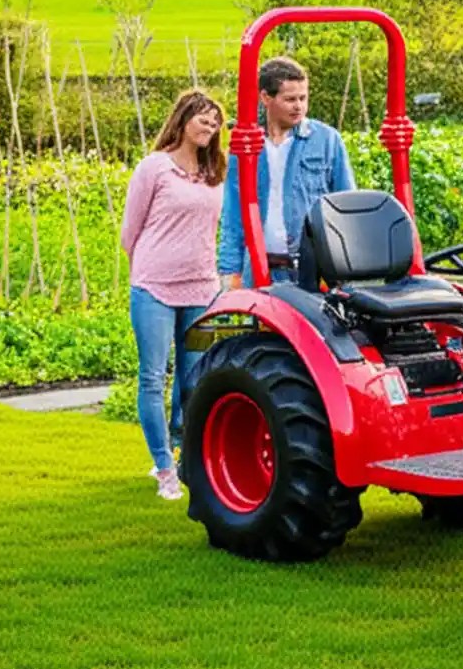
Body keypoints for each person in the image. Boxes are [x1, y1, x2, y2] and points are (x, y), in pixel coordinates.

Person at [120, 89, 227, 501]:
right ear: (183, 120)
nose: (210, 126)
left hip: (202, 287)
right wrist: (144, 271)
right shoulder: (155, 168)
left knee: (195, 379)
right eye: (203, 118)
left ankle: (185, 454)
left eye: (215, 121)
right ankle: (164, 465)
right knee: (153, 376)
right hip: (154, 288)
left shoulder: (215, 172)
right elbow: (131, 231)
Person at [218, 56, 355, 289]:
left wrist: (345, 264)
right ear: (266, 98)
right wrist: (230, 270)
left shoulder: (327, 140)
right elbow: (233, 212)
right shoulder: (244, 146)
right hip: (261, 269)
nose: (299, 106)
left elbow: (346, 205)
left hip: (314, 270)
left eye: (303, 98)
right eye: (290, 99)